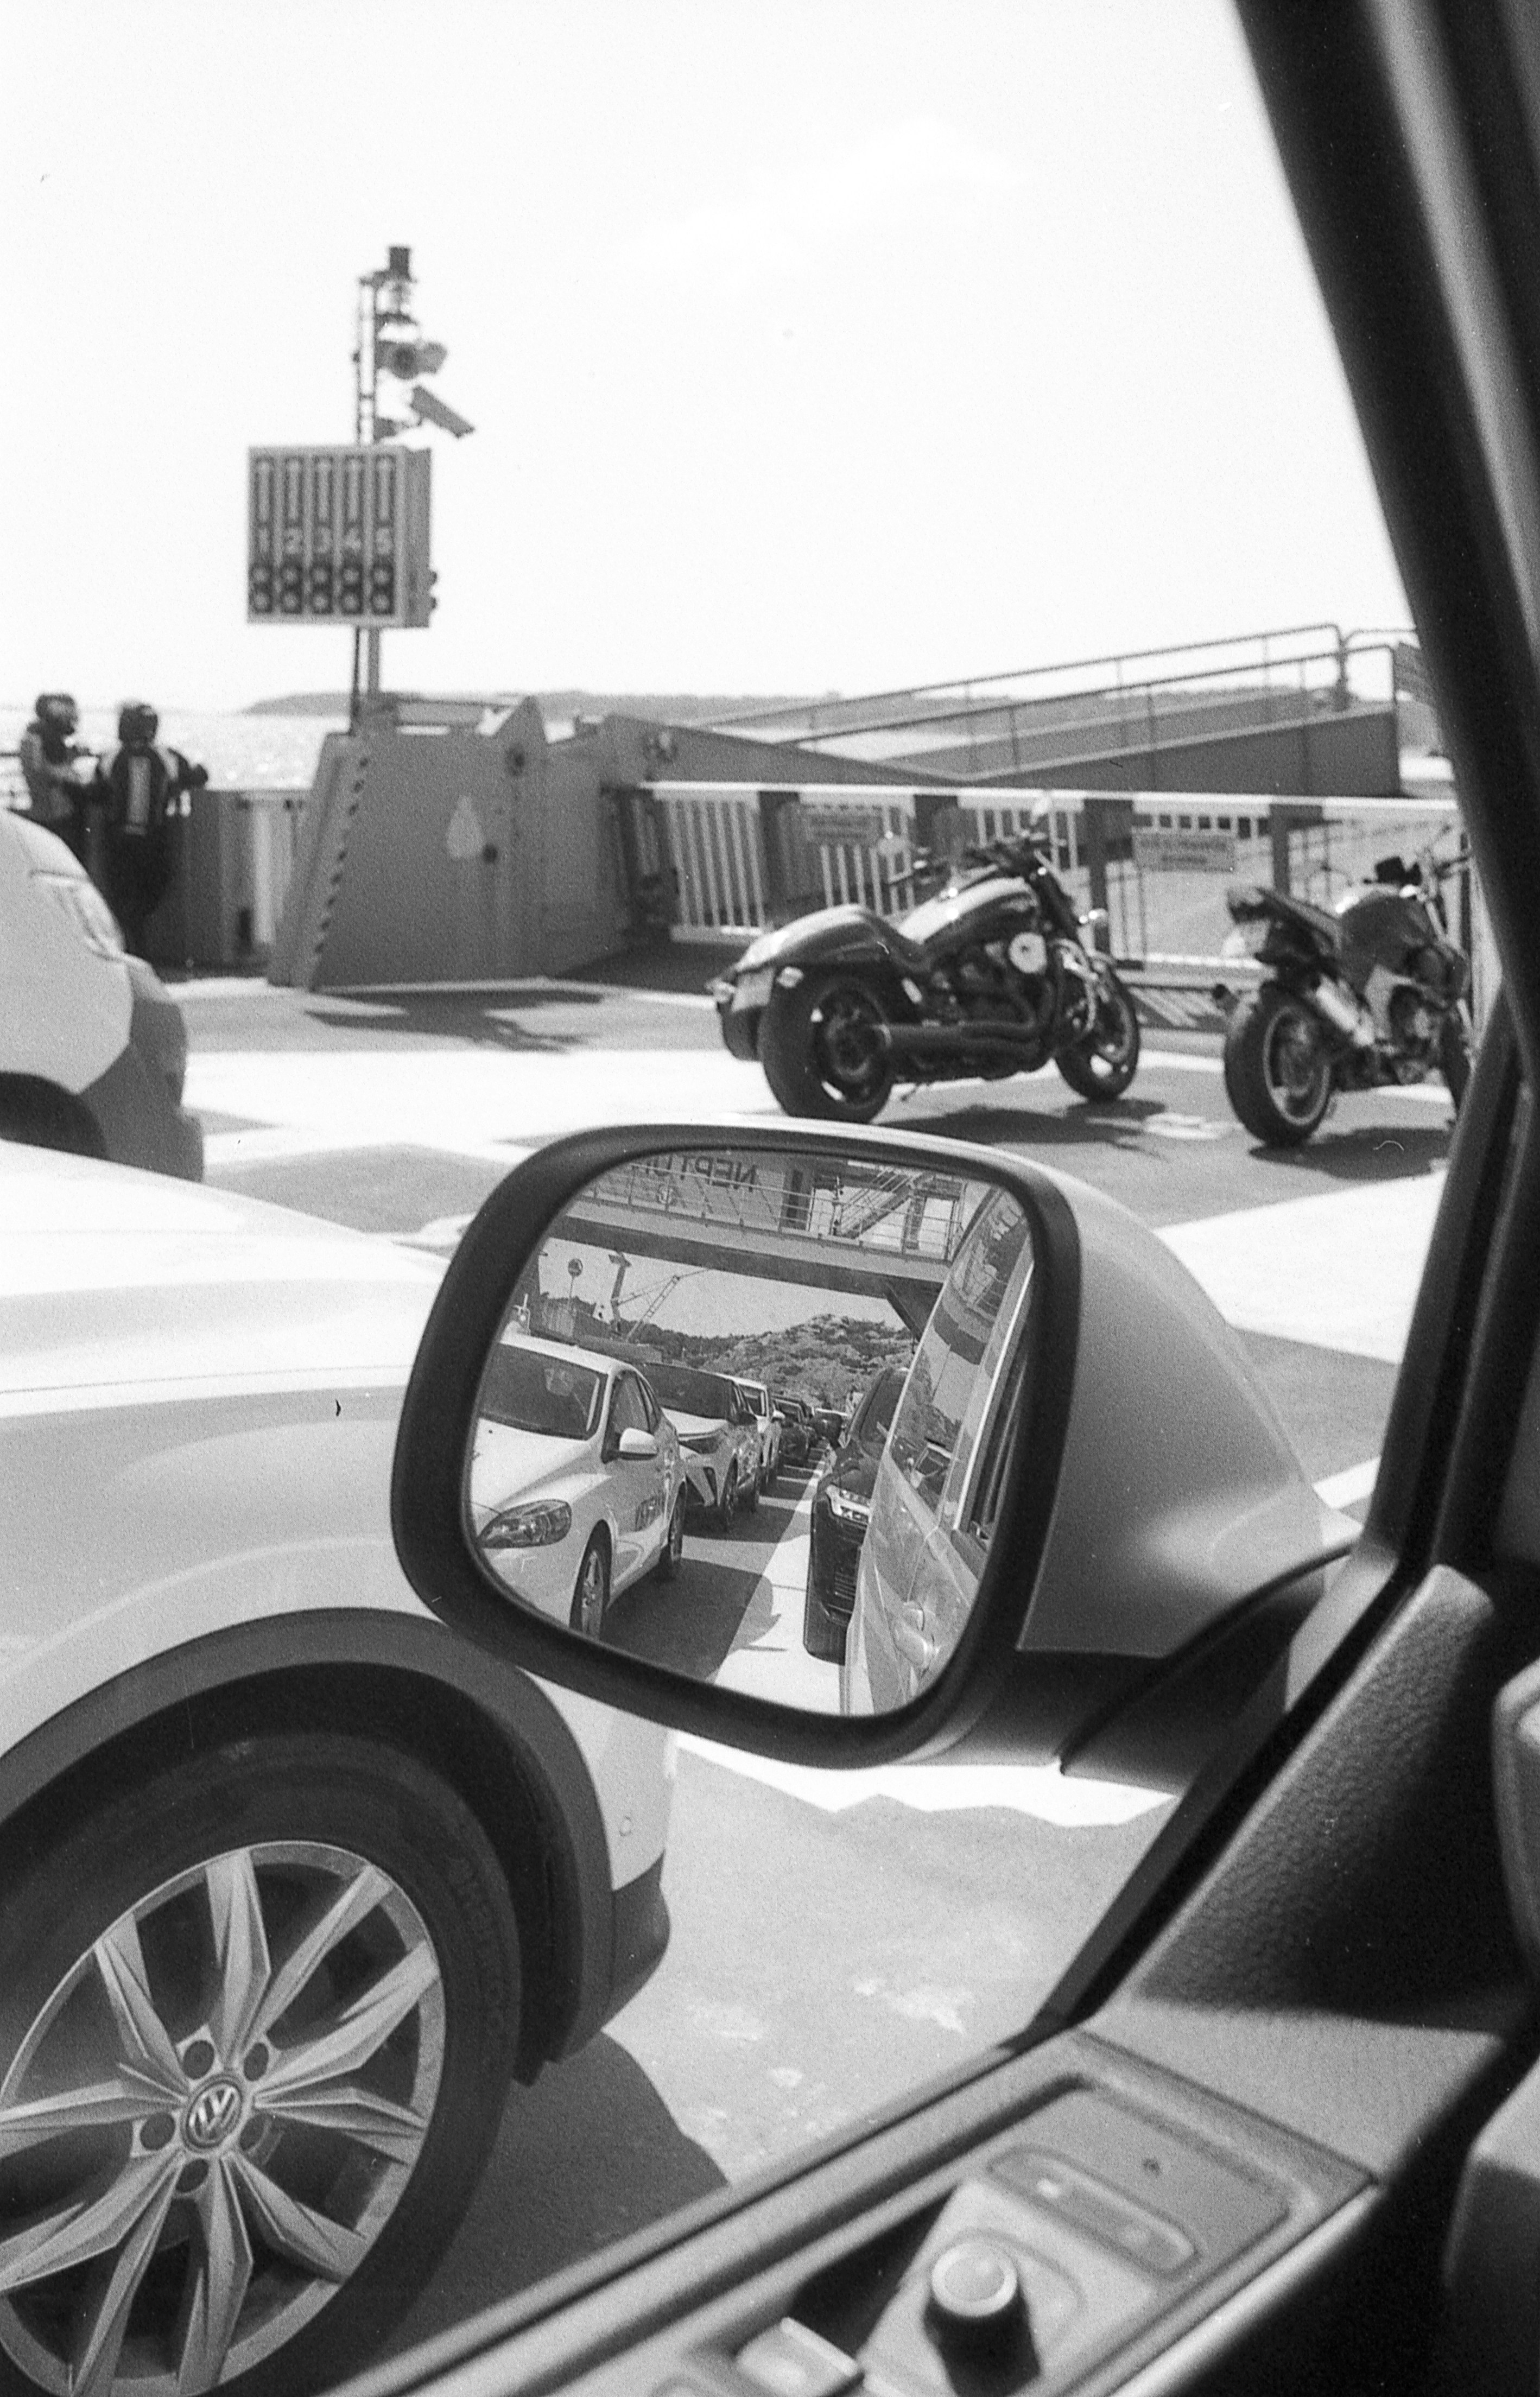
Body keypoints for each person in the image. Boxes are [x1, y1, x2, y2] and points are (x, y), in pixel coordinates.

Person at [88, 701, 208, 956]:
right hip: (153, 841)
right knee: (151, 894)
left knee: (124, 898)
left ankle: (134, 947)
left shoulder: (111, 758)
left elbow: (95, 793)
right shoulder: (168, 757)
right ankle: (139, 948)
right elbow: (197, 777)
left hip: (119, 841)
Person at [17, 694, 88, 853]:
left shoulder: (32, 735)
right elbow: (55, 773)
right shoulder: (49, 738)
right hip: (57, 814)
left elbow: (42, 767)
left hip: (40, 807)